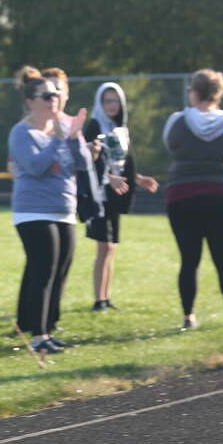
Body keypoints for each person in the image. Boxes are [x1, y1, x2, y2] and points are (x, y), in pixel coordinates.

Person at [8, 65, 127, 357]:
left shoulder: (62, 127)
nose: (54, 100)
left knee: (59, 270)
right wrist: (60, 139)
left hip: (63, 209)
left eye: (56, 95)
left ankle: (47, 331)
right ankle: (37, 336)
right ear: (30, 101)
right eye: (47, 95)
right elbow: (35, 167)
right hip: (33, 211)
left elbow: (80, 165)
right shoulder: (22, 132)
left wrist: (80, 143)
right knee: (43, 272)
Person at [162, 69, 223, 331]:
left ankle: (188, 318)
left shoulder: (177, 120)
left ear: (196, 92)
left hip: (182, 193)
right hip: (220, 193)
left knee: (189, 261)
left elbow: (170, 145)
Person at [82, 82, 159, 311]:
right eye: (107, 100)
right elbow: (87, 161)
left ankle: (107, 297)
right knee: (103, 246)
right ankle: (98, 300)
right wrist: (108, 177)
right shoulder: (94, 125)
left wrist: (138, 178)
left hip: (116, 193)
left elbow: (121, 164)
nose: (111, 105)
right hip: (100, 194)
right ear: (100, 102)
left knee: (111, 247)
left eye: (115, 100)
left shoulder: (121, 128)